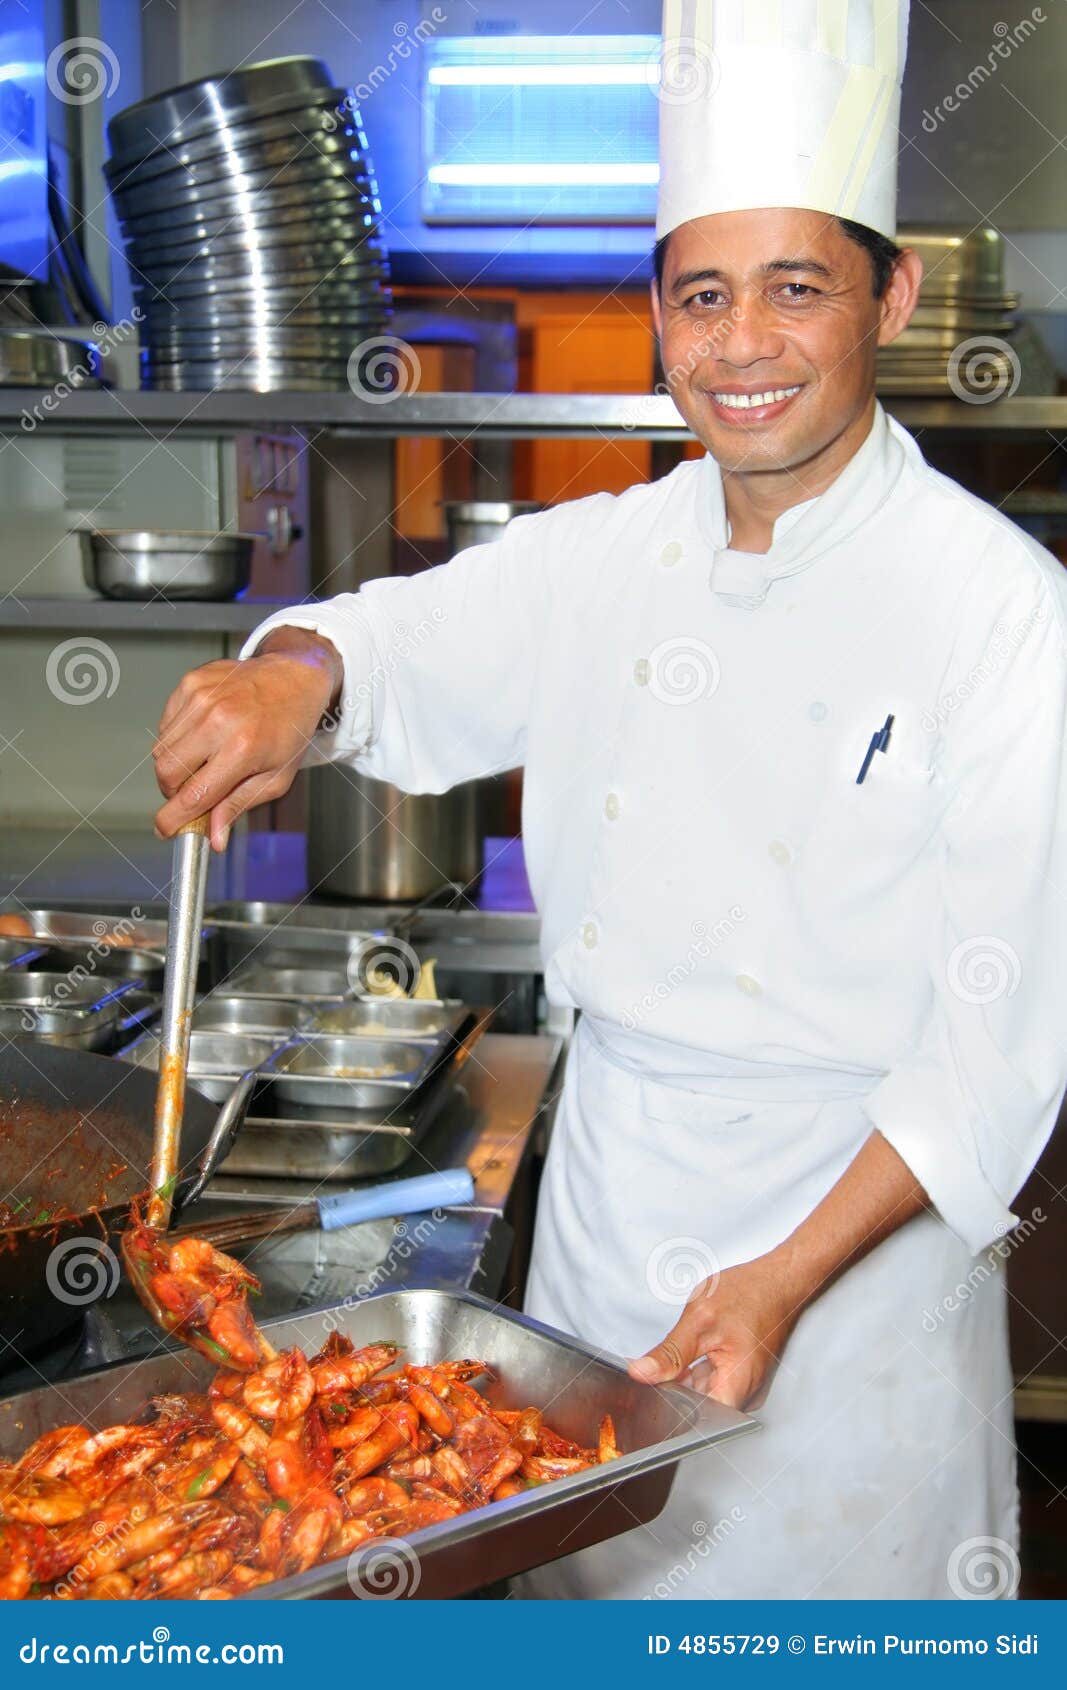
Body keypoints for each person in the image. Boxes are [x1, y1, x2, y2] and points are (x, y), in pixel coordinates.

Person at [153, 0, 1067, 1599]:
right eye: (702, 295)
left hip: (856, 1275)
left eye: (799, 288)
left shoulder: (1005, 612)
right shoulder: (606, 555)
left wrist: (780, 1280)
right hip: (601, 1233)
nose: (745, 345)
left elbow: (1002, 1052)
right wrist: (292, 670)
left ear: (895, 295)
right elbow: (384, 644)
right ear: (657, 313)